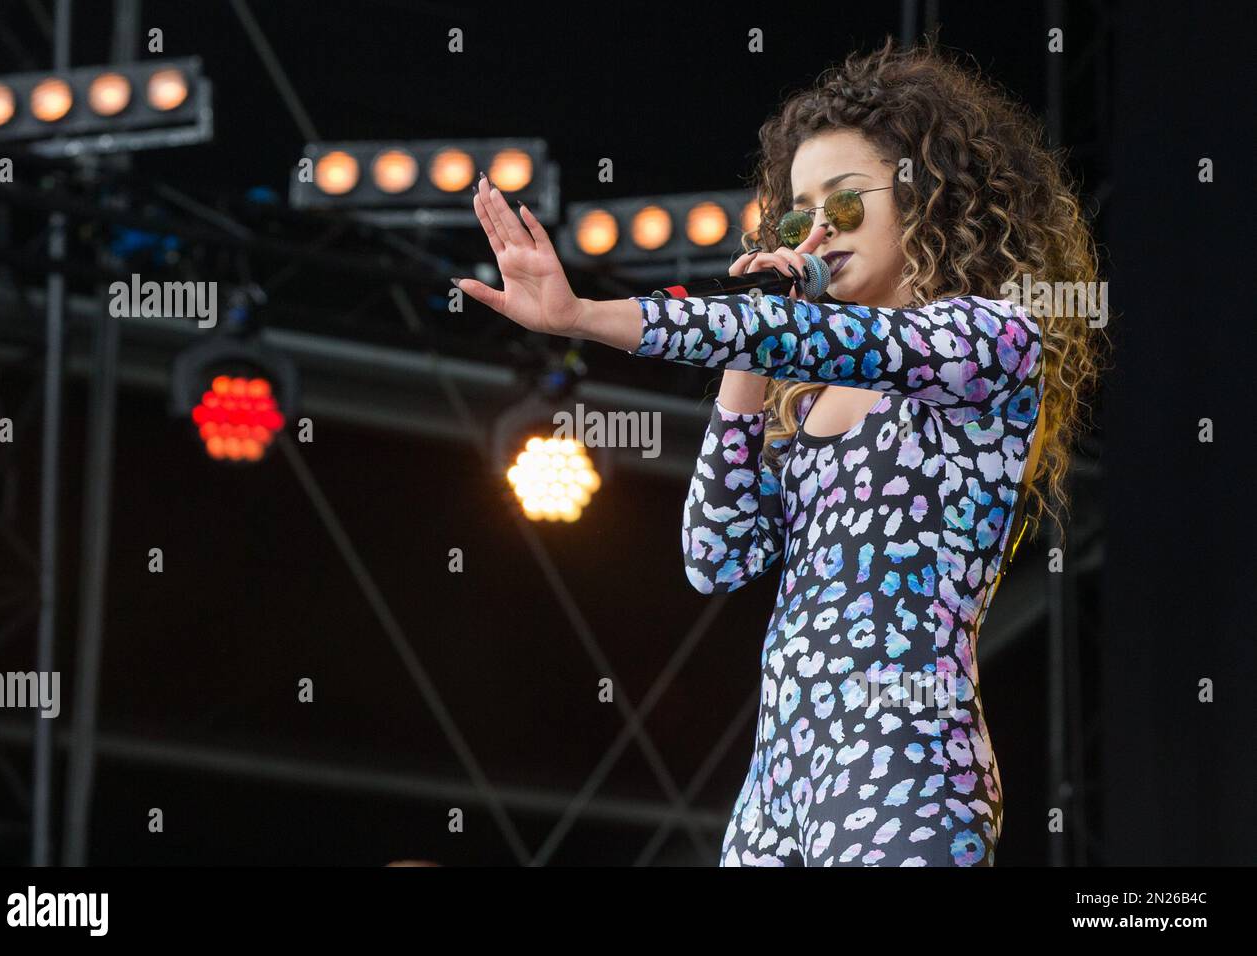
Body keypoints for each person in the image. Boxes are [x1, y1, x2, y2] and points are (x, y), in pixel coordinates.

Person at [454, 38, 1106, 866]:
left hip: (899, 762)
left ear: (927, 195)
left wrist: (584, 316)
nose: (818, 230)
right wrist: (751, 354)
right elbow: (714, 553)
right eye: (799, 213)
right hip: (778, 784)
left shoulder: (994, 339)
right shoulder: (809, 398)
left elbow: (819, 336)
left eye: (846, 202)